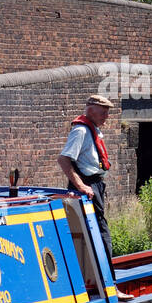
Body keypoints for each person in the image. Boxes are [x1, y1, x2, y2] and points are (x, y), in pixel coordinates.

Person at [58, 94, 115, 263]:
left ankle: (103, 279)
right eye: (103, 112)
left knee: (96, 231)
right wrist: (81, 185)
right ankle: (109, 284)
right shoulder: (81, 131)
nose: (107, 117)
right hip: (87, 186)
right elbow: (63, 159)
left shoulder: (93, 129)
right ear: (90, 111)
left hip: (95, 185)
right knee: (100, 231)